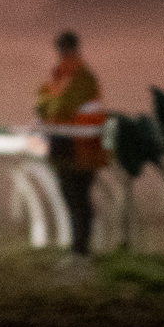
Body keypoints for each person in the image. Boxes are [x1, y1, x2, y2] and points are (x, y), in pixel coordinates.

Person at [36, 29, 107, 261]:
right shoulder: (73, 76)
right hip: (73, 144)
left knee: (77, 197)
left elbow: (51, 109)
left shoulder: (69, 78)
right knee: (75, 197)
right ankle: (79, 248)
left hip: (76, 145)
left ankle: (80, 249)